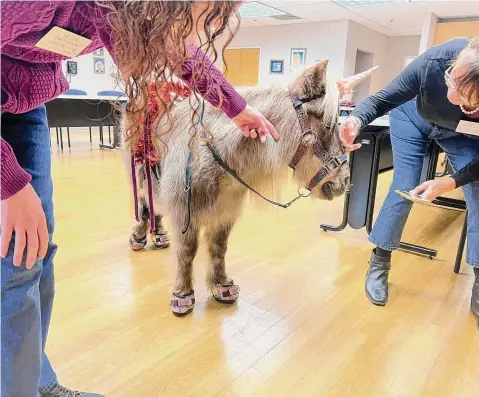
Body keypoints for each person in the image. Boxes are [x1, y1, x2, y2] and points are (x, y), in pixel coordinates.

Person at [0, 2, 279, 397]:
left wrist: (237, 108)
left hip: (26, 102)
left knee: (38, 253)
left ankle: (35, 380)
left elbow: (179, 52)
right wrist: (8, 182)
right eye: (206, 14)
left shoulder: (132, 13)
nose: (200, 31)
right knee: (16, 264)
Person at [340, 37, 479, 329]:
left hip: (458, 132)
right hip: (412, 118)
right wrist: (355, 119)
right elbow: (380, 100)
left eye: (463, 94)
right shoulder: (436, 63)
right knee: (405, 185)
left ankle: (478, 282)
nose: (450, 92)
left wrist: (451, 182)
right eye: (451, 79)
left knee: (477, 191)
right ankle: (379, 261)